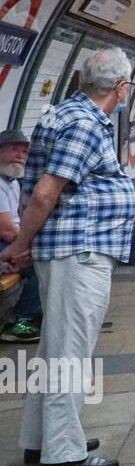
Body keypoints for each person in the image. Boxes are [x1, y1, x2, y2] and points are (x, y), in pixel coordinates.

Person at [0, 48, 135, 466]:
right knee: (70, 353)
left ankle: (42, 437)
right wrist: (21, 244)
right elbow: (45, 192)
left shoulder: (64, 113)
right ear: (121, 87)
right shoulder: (84, 123)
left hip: (68, 251)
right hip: (77, 252)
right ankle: (63, 453)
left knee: (54, 347)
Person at [0, 129, 42, 343]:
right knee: (41, 263)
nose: (19, 155)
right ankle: (20, 321)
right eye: (13, 149)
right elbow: (6, 230)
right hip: (4, 245)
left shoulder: (12, 182)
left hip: (10, 244)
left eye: (24, 151)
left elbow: (20, 219)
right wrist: (28, 246)